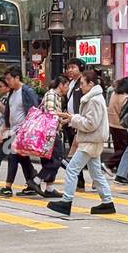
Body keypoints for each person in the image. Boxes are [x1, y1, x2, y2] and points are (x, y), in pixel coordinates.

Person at [47, 68, 115, 216]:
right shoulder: (94, 98)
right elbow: (89, 121)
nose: (80, 87)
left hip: (90, 141)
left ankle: (66, 201)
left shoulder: (94, 100)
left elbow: (91, 123)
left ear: (90, 84)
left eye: (83, 83)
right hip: (92, 141)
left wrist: (72, 118)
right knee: (96, 173)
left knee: (72, 169)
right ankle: (107, 202)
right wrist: (72, 119)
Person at [0, 66, 41, 197]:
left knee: (13, 156)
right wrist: (4, 129)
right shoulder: (12, 93)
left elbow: (34, 110)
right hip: (13, 130)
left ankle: (8, 187)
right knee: (23, 158)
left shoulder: (27, 91)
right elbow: (8, 113)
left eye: (9, 79)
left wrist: (29, 129)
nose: (7, 82)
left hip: (23, 131)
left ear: (17, 78)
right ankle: (32, 182)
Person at [36, 74, 71, 196]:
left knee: (49, 160)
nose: (67, 89)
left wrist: (63, 120)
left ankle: (49, 188)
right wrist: (63, 115)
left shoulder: (56, 96)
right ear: (61, 85)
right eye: (66, 86)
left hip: (50, 132)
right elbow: (50, 113)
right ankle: (36, 180)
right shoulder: (51, 94)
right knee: (58, 158)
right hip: (49, 133)